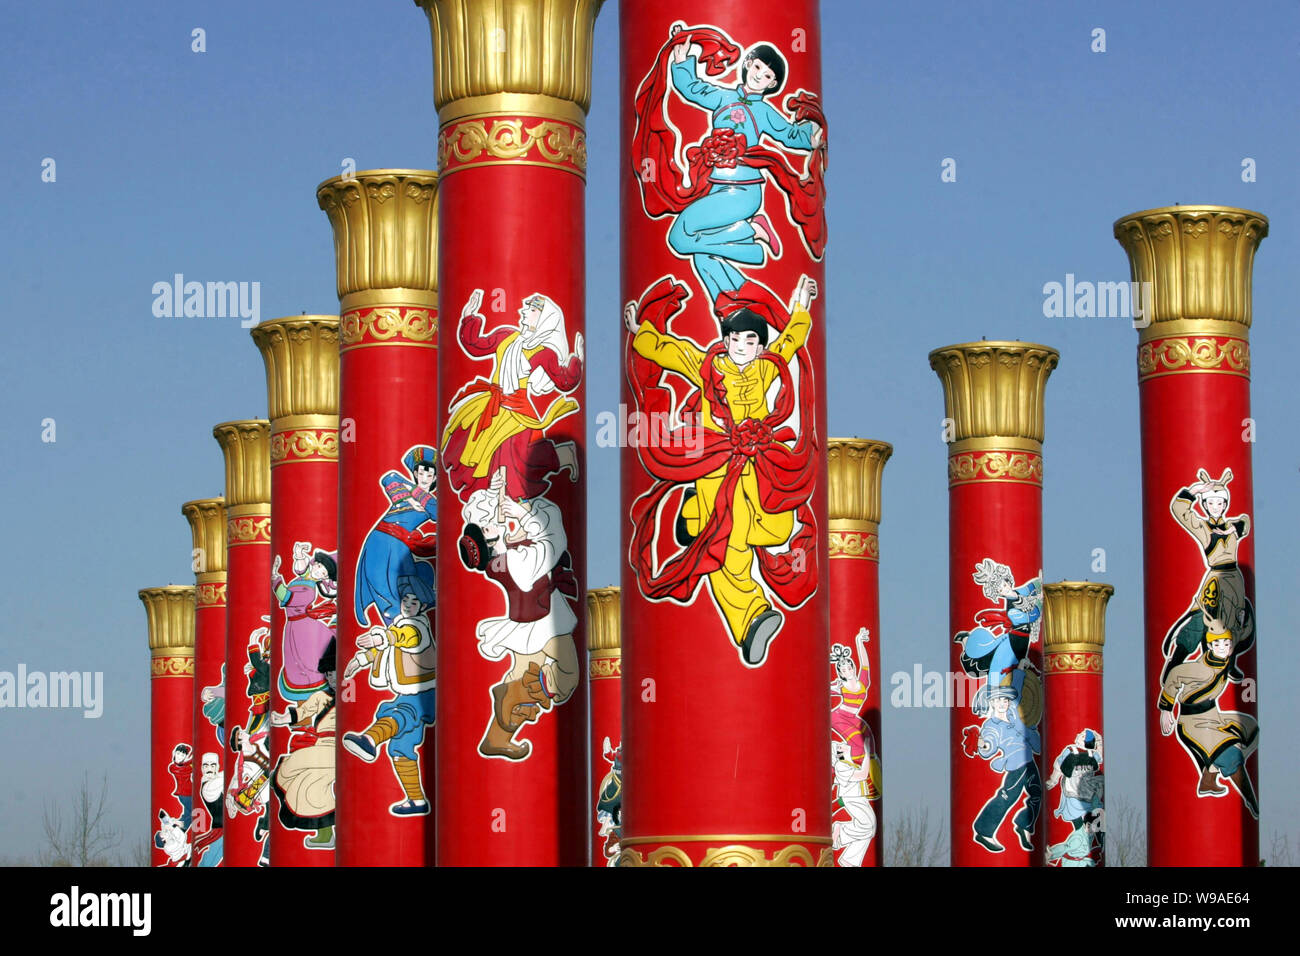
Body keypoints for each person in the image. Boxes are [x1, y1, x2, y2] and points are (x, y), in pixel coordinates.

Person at [625, 275, 817, 665]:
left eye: (750, 342)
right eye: (734, 340)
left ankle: (693, 516)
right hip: (718, 462)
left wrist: (801, 309)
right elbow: (672, 352)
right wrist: (640, 332)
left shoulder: (766, 368)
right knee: (727, 545)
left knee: (772, 526)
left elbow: (790, 341)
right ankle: (751, 618)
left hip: (758, 463)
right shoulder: (709, 364)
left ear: (759, 345)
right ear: (725, 340)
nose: (741, 348)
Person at [662, 28, 823, 303]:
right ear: (748, 64)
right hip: (716, 186)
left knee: (679, 236)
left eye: (769, 76)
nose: (761, 75)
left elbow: (787, 133)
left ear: (772, 85)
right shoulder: (723, 97)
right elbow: (694, 89)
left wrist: (811, 135)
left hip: (742, 191)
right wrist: (682, 62)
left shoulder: (763, 111)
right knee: (703, 255)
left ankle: (752, 231)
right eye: (759, 67)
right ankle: (730, 304)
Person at [459, 468, 579, 760]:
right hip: (544, 623)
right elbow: (552, 543)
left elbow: (480, 514)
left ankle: (496, 737)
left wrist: (493, 490)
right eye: (486, 529)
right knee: (567, 675)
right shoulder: (514, 561)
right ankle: (512, 693)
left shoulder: (503, 552)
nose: (489, 524)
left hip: (532, 622)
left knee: (524, 674)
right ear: (488, 546)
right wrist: (524, 515)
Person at [441, 289, 583, 502]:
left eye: (532, 309)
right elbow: (476, 346)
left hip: (518, 411)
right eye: (527, 307)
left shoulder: (544, 353)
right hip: (491, 405)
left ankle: (563, 456)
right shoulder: (508, 336)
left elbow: (563, 381)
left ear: (542, 318)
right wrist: (470, 317)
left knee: (513, 459)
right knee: (474, 455)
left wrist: (577, 360)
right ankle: (490, 508)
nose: (523, 310)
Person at [342, 581, 437, 815]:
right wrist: (361, 660)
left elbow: (403, 637)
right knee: (401, 747)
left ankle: (370, 740)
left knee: (400, 714)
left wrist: (379, 638)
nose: (408, 605)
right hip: (408, 690)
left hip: (422, 693)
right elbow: (384, 649)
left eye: (414, 602)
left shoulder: (418, 626)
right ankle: (416, 800)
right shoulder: (400, 624)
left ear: (422, 606)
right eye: (405, 600)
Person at [1163, 469, 1254, 682]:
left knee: (1234, 622)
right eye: (1211, 503)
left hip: (1234, 578)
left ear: (1225, 505)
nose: (1216, 507)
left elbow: (1246, 522)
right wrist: (1194, 490)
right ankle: (1175, 664)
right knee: (1199, 619)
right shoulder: (1204, 528)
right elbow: (1179, 510)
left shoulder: (1232, 527)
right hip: (1215, 578)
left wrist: (1232, 528)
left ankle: (1228, 665)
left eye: (1220, 503)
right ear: (1205, 505)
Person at [1159, 633, 1259, 818]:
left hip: (1214, 715)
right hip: (1193, 722)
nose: (1223, 647)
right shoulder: (1199, 668)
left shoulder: (1224, 663)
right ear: (1210, 646)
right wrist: (1166, 709)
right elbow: (1174, 675)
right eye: (1218, 643)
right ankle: (1251, 802)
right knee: (1231, 756)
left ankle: (1210, 772)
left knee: (1251, 729)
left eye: (1227, 644)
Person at [354, 445, 438, 627]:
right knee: (378, 581)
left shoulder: (430, 500)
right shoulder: (407, 494)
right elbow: (388, 477)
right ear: (415, 474)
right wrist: (407, 498)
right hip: (380, 539)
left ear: (434, 478)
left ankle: (403, 628)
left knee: (401, 583)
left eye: (429, 475)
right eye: (420, 473)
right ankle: (393, 629)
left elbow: (436, 511)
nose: (424, 478)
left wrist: (412, 491)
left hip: (399, 545)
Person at [269, 640, 337, 849]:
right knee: (306, 783)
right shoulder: (321, 697)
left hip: (337, 747)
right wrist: (283, 719)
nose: (332, 678)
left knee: (289, 766)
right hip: (321, 745)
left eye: (335, 672)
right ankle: (326, 834)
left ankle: (328, 832)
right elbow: (303, 711)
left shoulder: (354, 696)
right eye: (329, 674)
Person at [964, 687, 1042, 853]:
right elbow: (989, 743)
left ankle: (1024, 825)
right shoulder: (992, 725)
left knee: (1036, 794)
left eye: (1005, 700)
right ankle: (984, 831)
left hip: (1029, 760)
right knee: (1007, 796)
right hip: (1016, 763)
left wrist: (1020, 669)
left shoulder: (1013, 716)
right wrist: (982, 744)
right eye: (999, 700)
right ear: (992, 703)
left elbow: (1018, 688)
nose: (1003, 704)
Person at [272, 543, 337, 701]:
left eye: (323, 571)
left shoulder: (309, 591)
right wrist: (299, 553)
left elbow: (285, 597)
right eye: (319, 565)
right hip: (295, 627)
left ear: (325, 577)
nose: (318, 570)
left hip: (302, 629)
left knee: (305, 664)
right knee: (297, 663)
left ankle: (309, 711)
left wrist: (275, 578)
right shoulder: (305, 578)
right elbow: (302, 569)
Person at [829, 627, 879, 795]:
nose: (848, 671)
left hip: (854, 717)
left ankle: (870, 781)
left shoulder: (863, 681)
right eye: (844, 670)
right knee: (857, 742)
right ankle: (841, 774)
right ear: (841, 674)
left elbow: (864, 663)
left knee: (869, 740)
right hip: (839, 717)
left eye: (849, 667)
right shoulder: (840, 685)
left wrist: (859, 641)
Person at [831, 741, 876, 867]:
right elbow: (863, 775)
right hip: (852, 798)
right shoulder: (841, 766)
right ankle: (840, 829)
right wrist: (867, 754)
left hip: (859, 797)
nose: (844, 744)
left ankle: (850, 860)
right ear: (839, 751)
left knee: (870, 830)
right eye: (840, 746)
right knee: (868, 826)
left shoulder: (849, 764)